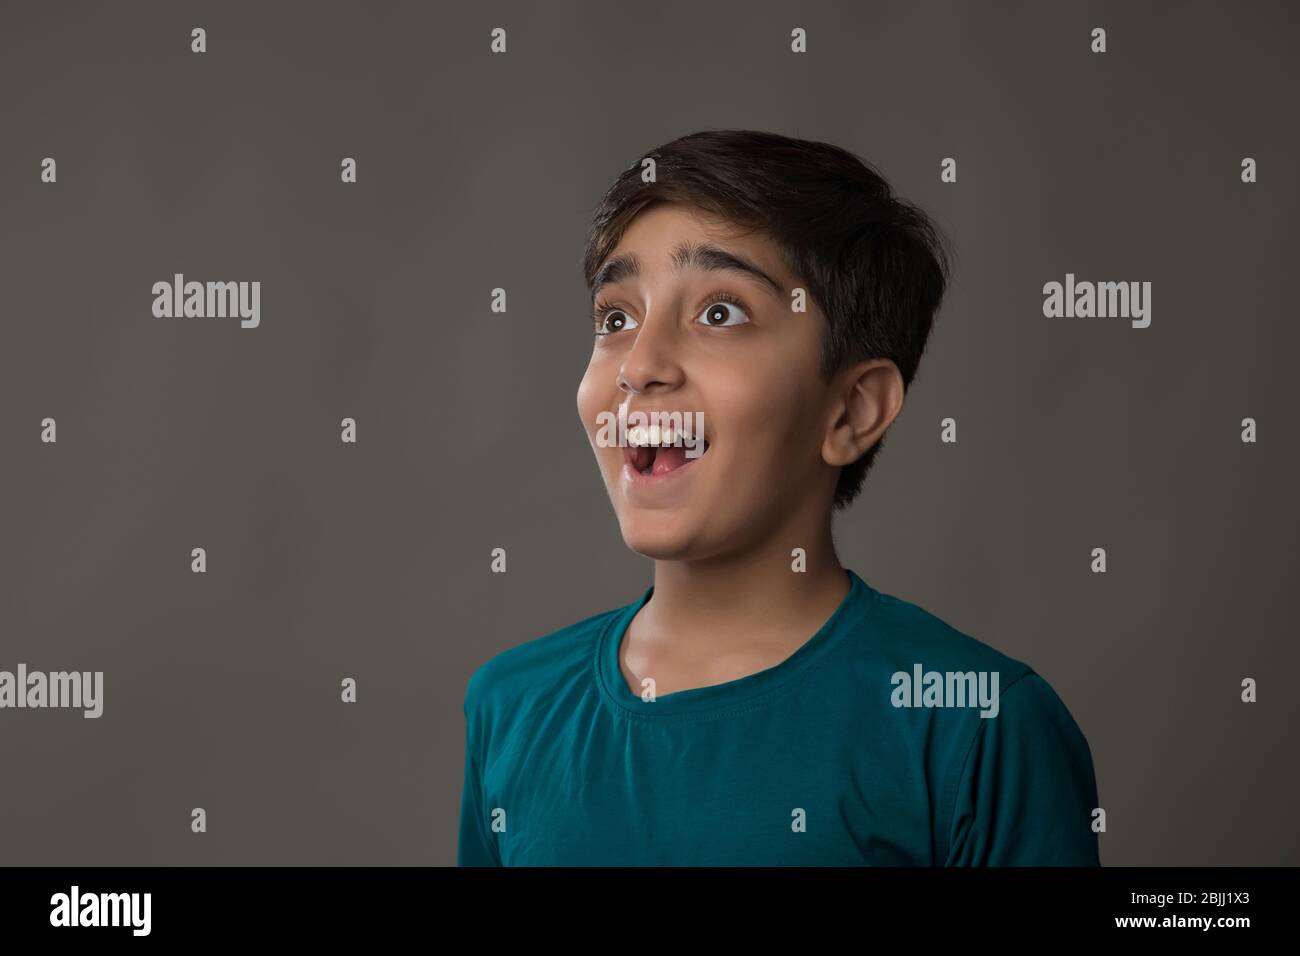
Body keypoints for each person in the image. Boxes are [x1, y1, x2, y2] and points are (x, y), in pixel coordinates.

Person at [458, 129, 1100, 866]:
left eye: (720, 313)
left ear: (852, 410)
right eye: (616, 317)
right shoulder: (510, 706)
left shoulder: (976, 724)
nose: (639, 365)